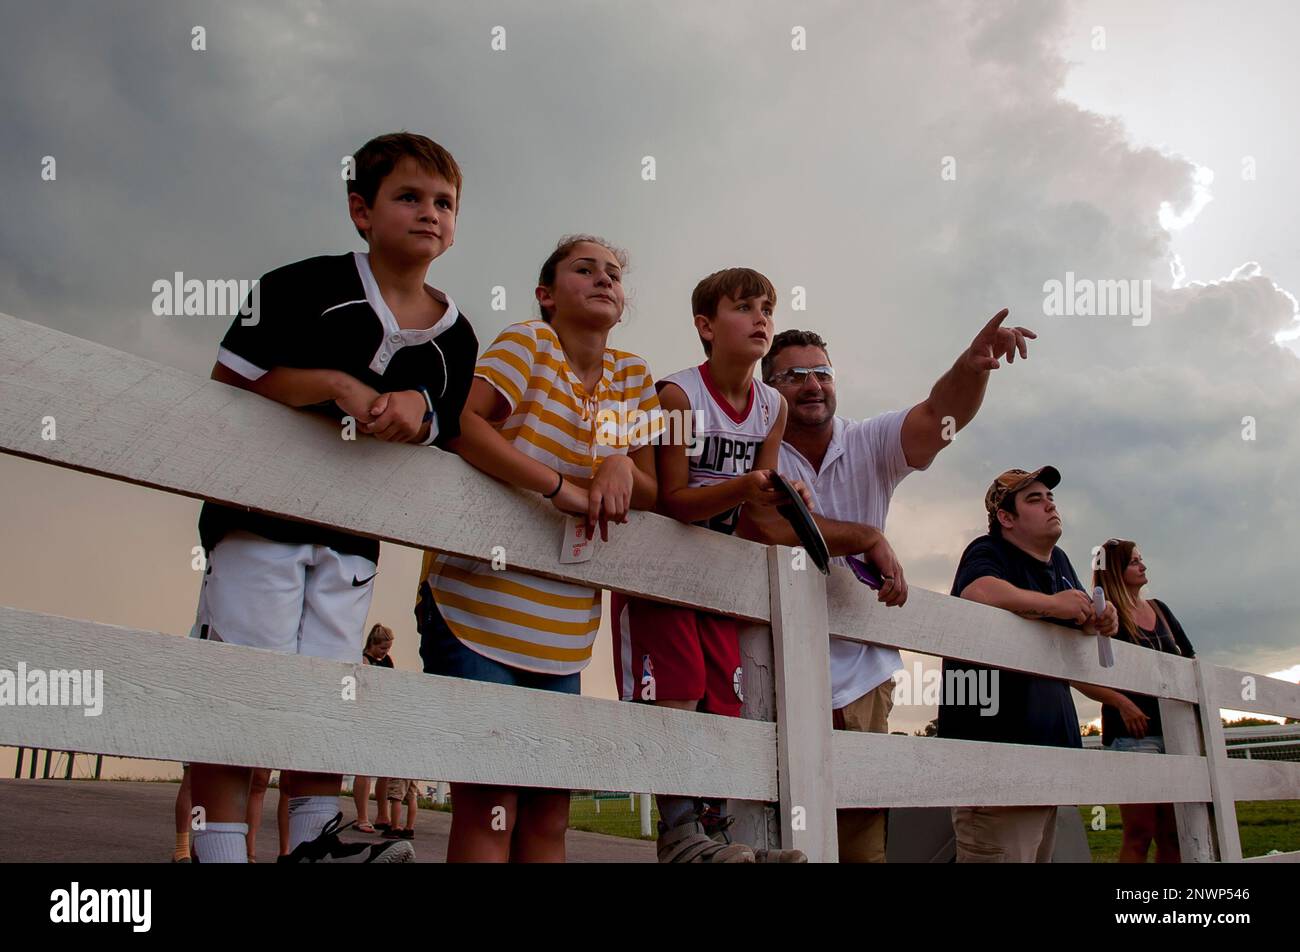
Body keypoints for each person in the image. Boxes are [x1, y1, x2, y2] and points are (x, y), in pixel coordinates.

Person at [187, 131, 478, 864]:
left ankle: (313, 838)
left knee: (325, 694)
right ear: (361, 210)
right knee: (243, 695)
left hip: (353, 539)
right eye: (408, 196)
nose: (429, 213)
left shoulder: (458, 336)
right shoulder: (298, 285)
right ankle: (223, 851)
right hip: (257, 521)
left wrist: (419, 406)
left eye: (443, 202)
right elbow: (229, 389)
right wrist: (329, 383)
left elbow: (446, 432)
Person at [761, 312, 1037, 861]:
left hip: (861, 665)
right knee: (774, 817)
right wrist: (864, 536)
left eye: (823, 372)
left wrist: (974, 365)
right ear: (769, 390)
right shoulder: (757, 449)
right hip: (773, 656)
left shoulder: (868, 441)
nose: (813, 385)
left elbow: (939, 416)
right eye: (794, 377)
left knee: (859, 824)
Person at [419, 235, 661, 862]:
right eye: (585, 269)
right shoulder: (529, 341)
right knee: (491, 803)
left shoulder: (632, 375)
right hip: (476, 603)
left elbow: (653, 487)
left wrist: (616, 464)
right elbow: (462, 424)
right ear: (546, 294)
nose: (604, 279)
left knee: (550, 811)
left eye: (613, 272)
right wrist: (557, 487)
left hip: (561, 625)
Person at [938, 467, 1118, 862]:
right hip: (996, 765)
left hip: (1048, 761)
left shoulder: (1062, 562)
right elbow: (978, 592)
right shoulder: (987, 551)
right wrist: (1055, 604)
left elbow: (1083, 616)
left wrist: (1102, 619)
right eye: (1034, 499)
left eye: (1049, 497)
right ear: (1006, 518)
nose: (1050, 503)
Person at [1074, 538, 1194, 863]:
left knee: (1174, 834)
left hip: (1175, 733)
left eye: (1141, 559)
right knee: (1139, 833)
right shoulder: (1104, 615)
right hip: (1133, 737)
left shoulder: (1160, 610)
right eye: (1133, 562)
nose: (1142, 565)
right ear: (1115, 570)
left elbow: (1190, 659)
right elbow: (1078, 674)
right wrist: (1122, 703)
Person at [352, 624, 395, 834]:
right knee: (364, 769)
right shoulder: (363, 660)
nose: (386, 652)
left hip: (382, 718)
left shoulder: (387, 662)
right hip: (365, 718)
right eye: (383, 648)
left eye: (388, 649)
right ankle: (362, 817)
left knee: (384, 769)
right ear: (372, 644)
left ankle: (382, 814)